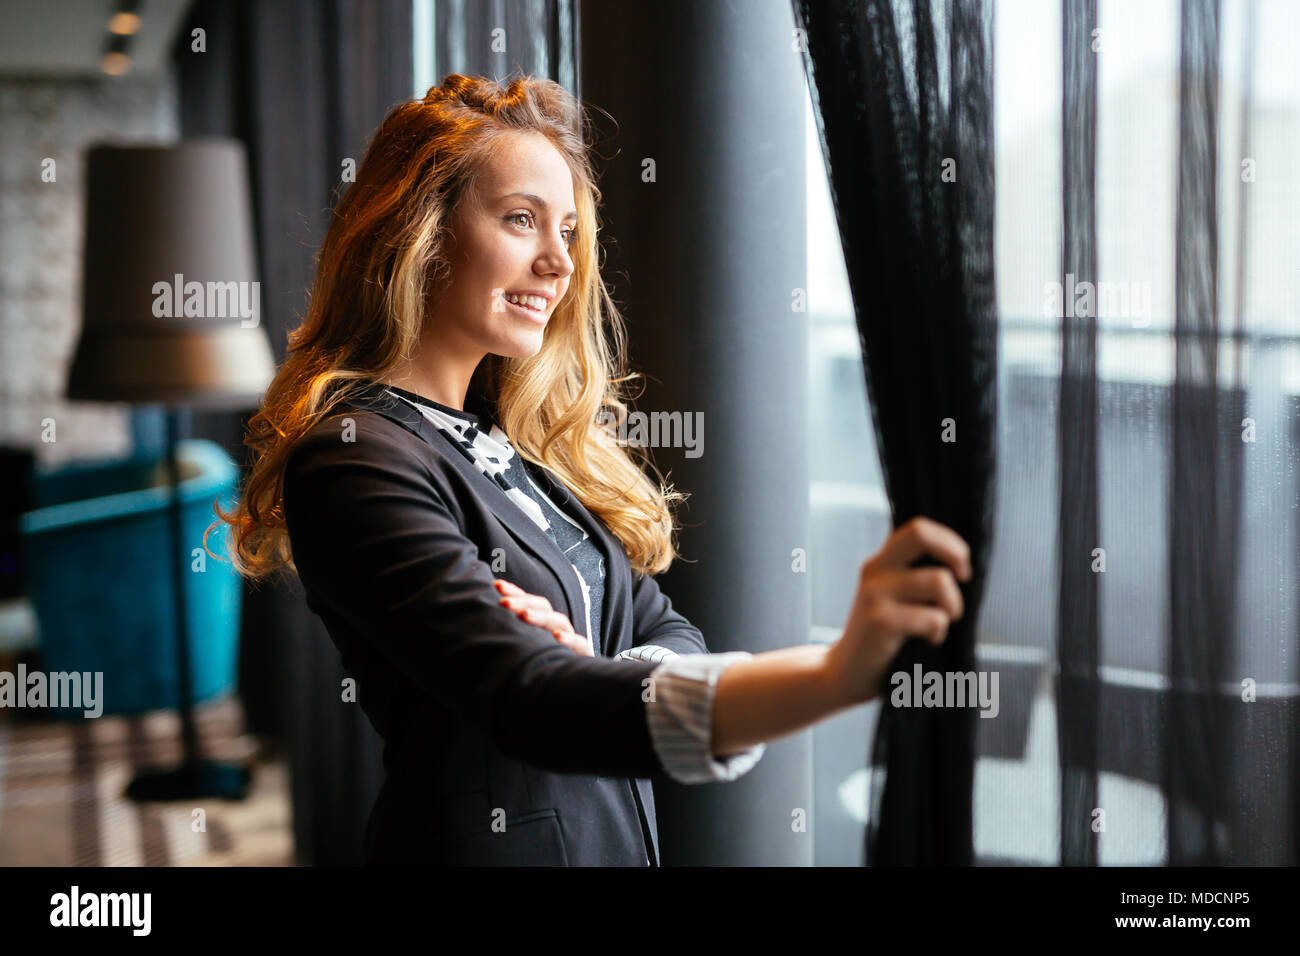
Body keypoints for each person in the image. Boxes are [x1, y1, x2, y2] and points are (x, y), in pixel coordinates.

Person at [214, 72, 971, 866]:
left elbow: (662, 626)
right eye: (520, 220)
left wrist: (596, 663)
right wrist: (836, 673)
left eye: (568, 232)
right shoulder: (354, 459)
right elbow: (532, 700)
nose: (559, 263)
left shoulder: (501, 442)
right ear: (420, 232)